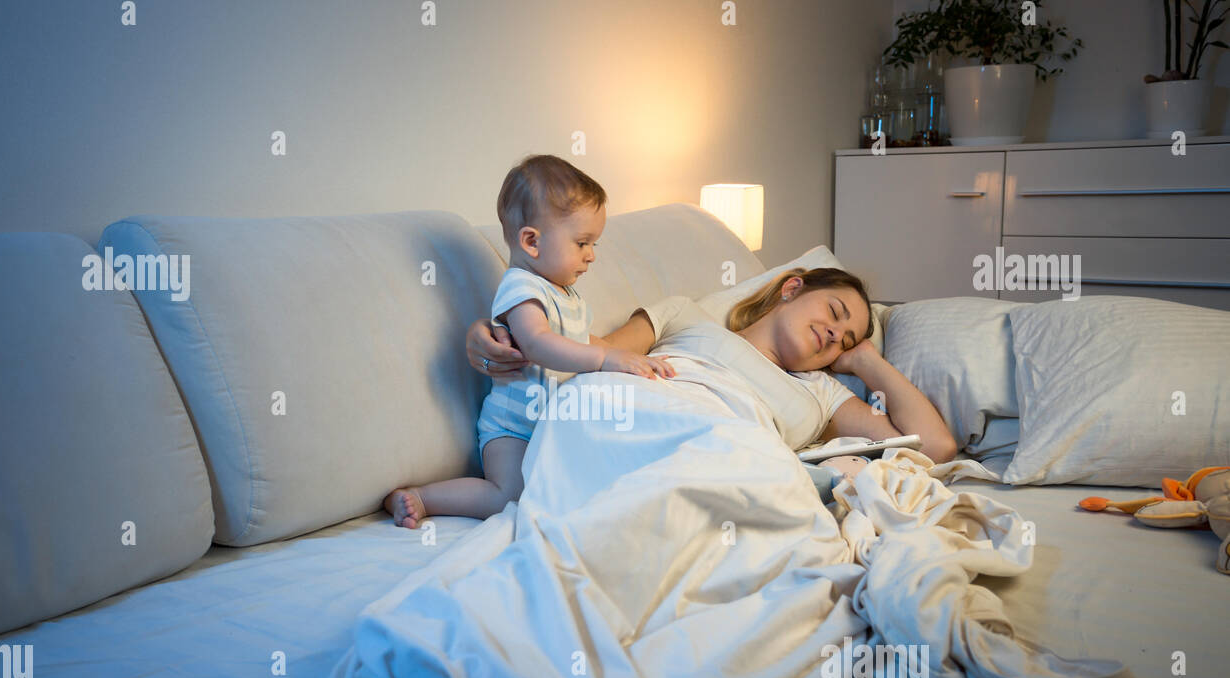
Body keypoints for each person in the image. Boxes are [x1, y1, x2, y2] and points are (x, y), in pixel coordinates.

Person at [465, 265, 958, 489]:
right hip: (627, 418)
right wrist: (498, 335)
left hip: (726, 454)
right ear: (792, 287)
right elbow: (591, 350)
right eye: (834, 311)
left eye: (845, 340)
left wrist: (868, 362)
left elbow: (932, 448)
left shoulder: (821, 395)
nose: (834, 335)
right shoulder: (687, 317)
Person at [384, 154, 675, 528]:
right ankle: (422, 497)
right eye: (583, 242)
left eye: (594, 245)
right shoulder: (522, 288)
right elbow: (537, 343)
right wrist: (603, 359)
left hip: (552, 425)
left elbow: (576, 338)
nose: (591, 256)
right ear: (532, 242)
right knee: (509, 495)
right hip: (512, 427)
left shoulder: (565, 293)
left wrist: (618, 354)